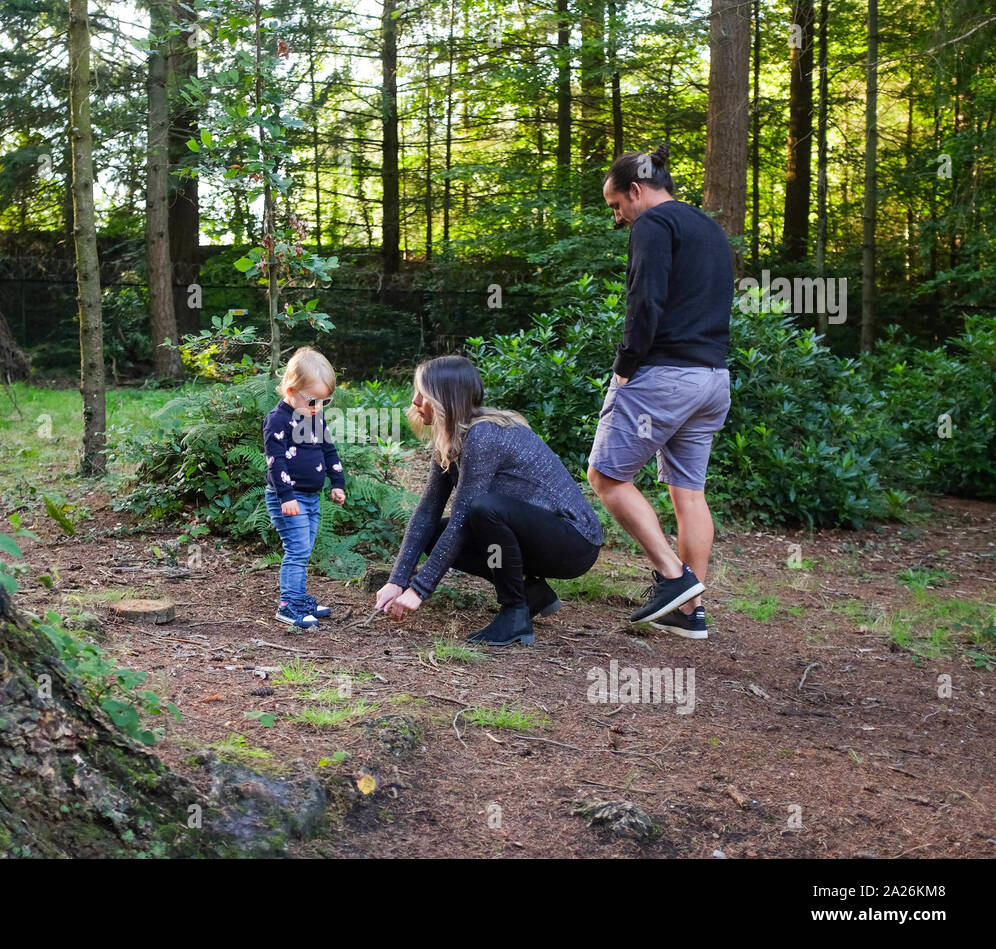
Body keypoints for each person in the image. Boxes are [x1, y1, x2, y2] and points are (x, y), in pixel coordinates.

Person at [586, 142, 733, 640]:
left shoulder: (654, 224)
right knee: (688, 491)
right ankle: (690, 613)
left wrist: (626, 366)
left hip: (665, 376)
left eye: (616, 207)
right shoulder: (707, 227)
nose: (619, 219)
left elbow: (645, 299)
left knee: (606, 476)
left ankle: (674, 579)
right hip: (713, 379)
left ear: (636, 191)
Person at [374, 356, 603, 646]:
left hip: (575, 541)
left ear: (445, 399)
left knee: (483, 510)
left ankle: (514, 613)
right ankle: (528, 593)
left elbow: (462, 518)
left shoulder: (483, 435)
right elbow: (426, 514)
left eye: (423, 393)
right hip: (537, 535)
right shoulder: (451, 440)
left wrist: (418, 590)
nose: (416, 401)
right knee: (435, 532)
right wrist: (397, 580)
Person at [263, 347, 347, 630]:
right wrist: (285, 495)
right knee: (297, 550)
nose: (318, 407)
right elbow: (275, 461)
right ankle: (289, 605)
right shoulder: (279, 420)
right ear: (291, 389)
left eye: (325, 401)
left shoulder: (313, 415)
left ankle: (299, 598)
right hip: (288, 498)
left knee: (305, 549)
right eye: (313, 400)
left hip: (311, 498)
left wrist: (337, 482)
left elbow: (328, 449)